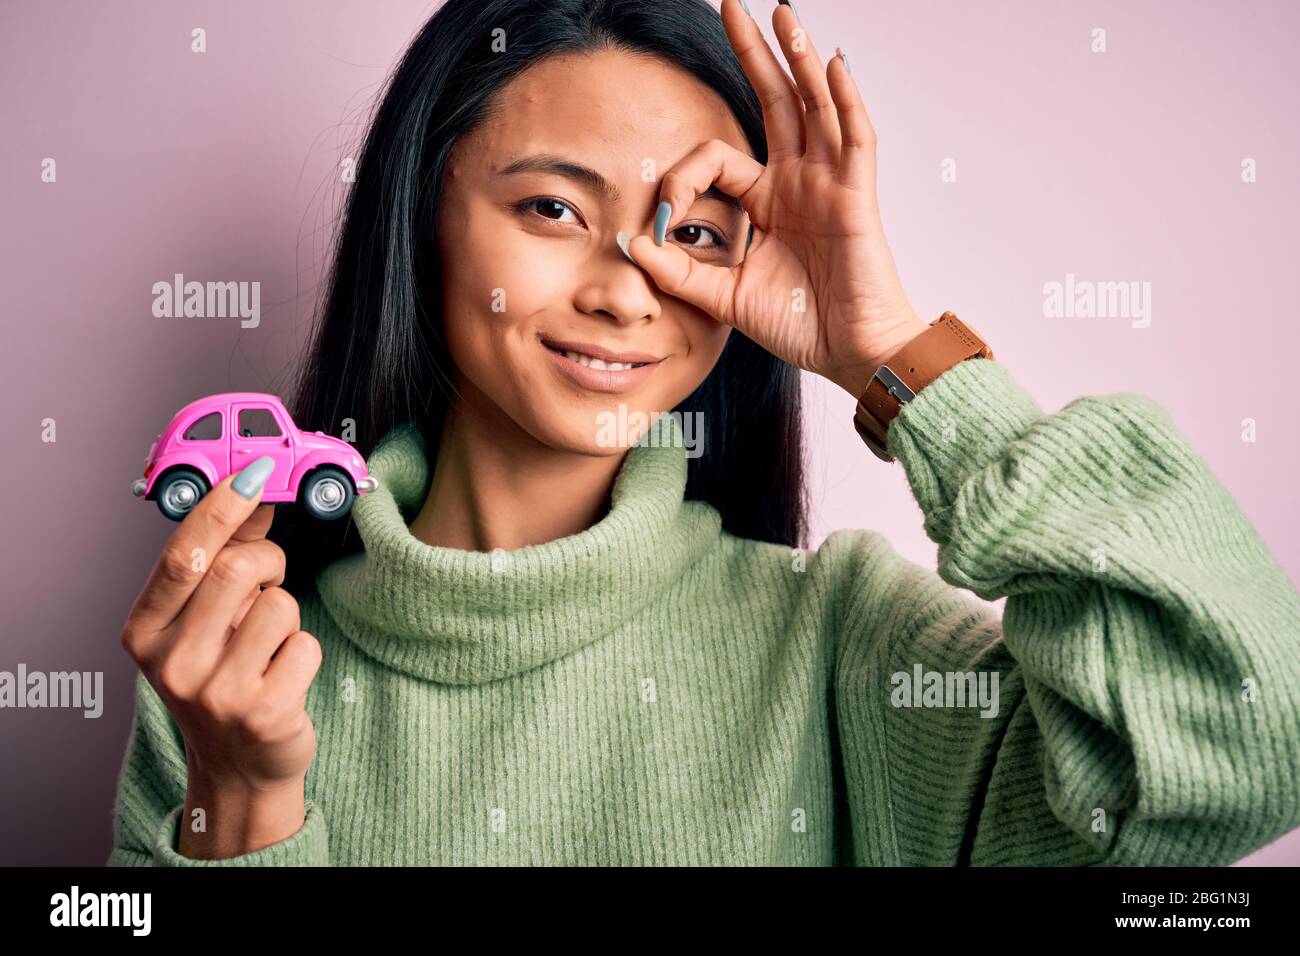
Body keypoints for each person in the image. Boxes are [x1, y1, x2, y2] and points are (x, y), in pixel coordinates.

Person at [109, 0, 1300, 866]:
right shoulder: (230, 672)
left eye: (694, 232)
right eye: (553, 208)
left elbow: (1242, 740)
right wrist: (243, 804)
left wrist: (890, 350)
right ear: (422, 221)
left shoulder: (842, 640)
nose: (628, 290)